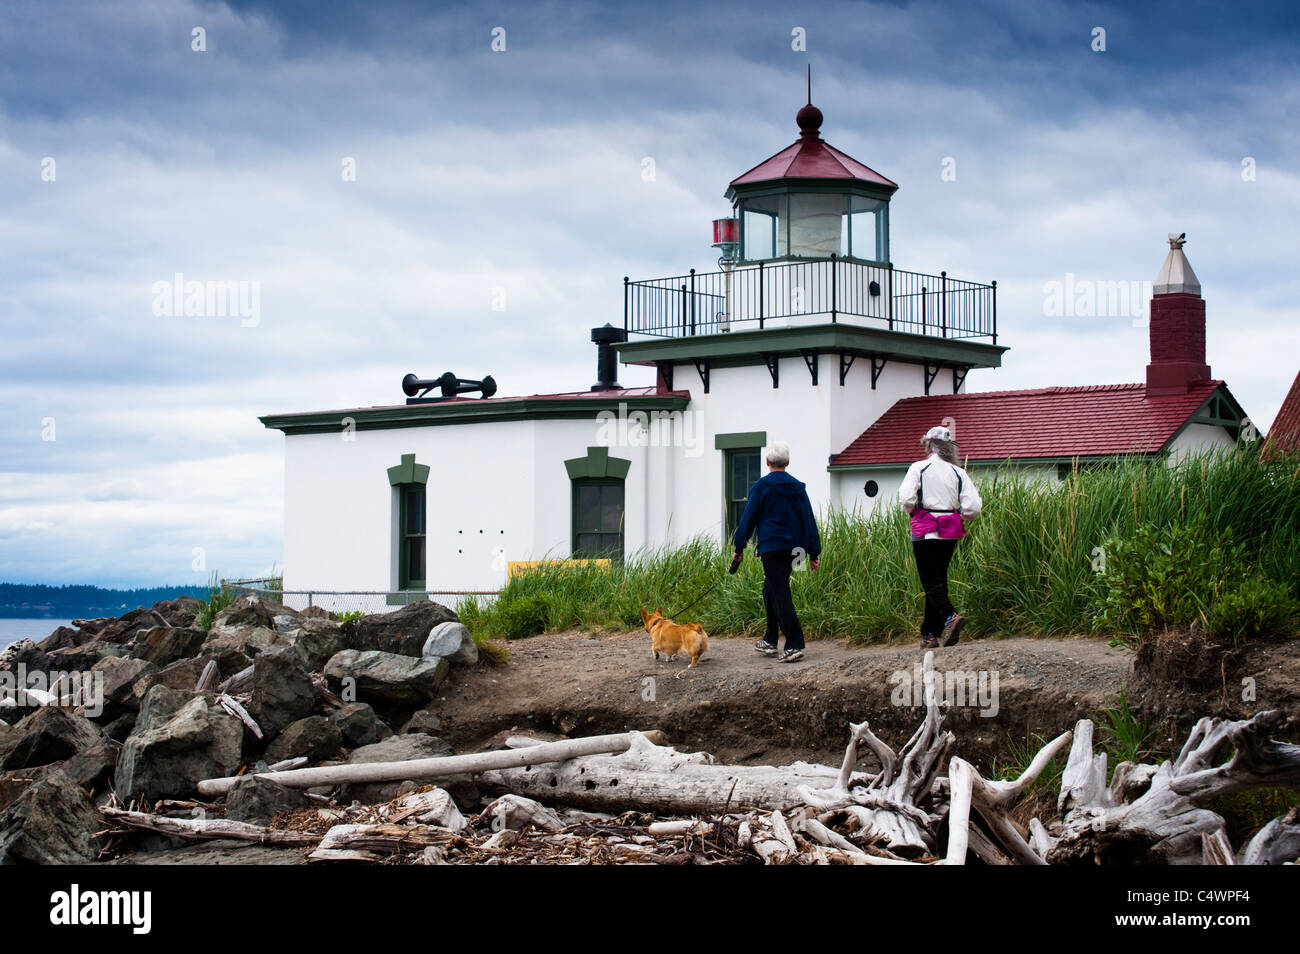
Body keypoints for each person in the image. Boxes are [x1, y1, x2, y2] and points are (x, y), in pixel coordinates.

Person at [732, 441, 821, 663]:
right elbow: (808, 519)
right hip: (798, 549)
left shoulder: (762, 487)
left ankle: (794, 643)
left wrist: (739, 546)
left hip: (773, 548)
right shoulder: (798, 488)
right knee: (771, 589)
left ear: (767, 462)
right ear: (787, 462)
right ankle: (770, 639)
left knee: (780, 593)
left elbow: (748, 518)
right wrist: (814, 553)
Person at [899, 425, 982, 649]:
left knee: (930, 581)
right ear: (948, 447)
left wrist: (913, 509)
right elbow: (973, 507)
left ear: (928, 445)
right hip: (950, 530)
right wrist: (958, 514)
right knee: (939, 580)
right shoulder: (958, 472)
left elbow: (906, 498)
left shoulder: (919, 468)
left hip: (924, 529)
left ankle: (950, 617)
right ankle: (930, 634)